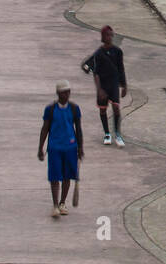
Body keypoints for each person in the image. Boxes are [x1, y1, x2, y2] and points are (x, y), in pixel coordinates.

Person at [37, 80, 83, 218]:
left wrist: (80, 147)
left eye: (68, 92)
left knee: (67, 177)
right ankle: (55, 205)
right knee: (55, 177)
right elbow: (45, 128)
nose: (67, 94)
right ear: (58, 93)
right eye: (64, 92)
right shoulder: (50, 109)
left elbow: (78, 129)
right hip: (54, 148)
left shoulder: (74, 108)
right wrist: (40, 148)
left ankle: (63, 203)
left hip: (70, 147)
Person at [83, 25, 128, 147]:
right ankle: (107, 133)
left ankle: (117, 134)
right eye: (107, 35)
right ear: (103, 37)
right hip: (103, 85)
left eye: (111, 35)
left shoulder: (118, 52)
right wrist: (99, 90)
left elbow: (121, 69)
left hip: (113, 84)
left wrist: (124, 85)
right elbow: (96, 73)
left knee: (116, 108)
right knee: (103, 109)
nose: (110, 37)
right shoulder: (99, 53)